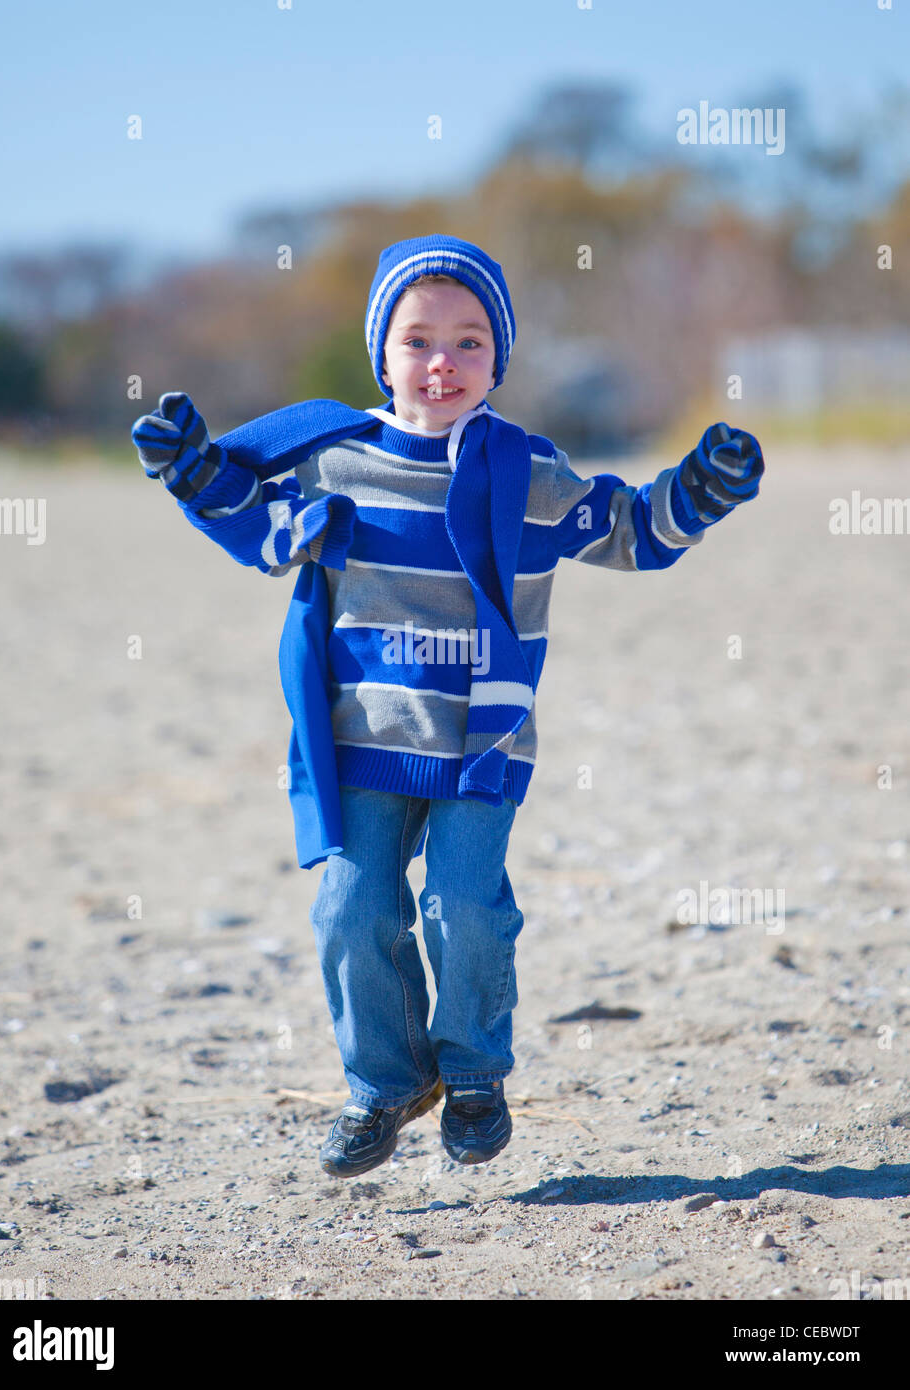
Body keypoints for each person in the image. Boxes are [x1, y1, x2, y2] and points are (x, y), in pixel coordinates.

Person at [132, 233, 764, 1178]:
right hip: (360, 739)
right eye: (417, 339)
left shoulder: (526, 472)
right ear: (381, 355)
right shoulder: (331, 460)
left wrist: (696, 494)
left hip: (482, 741)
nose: (442, 362)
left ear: (497, 360)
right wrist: (194, 473)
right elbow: (256, 525)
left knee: (464, 906)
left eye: (470, 342)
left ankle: (472, 1071)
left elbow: (627, 529)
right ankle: (385, 1084)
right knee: (350, 912)